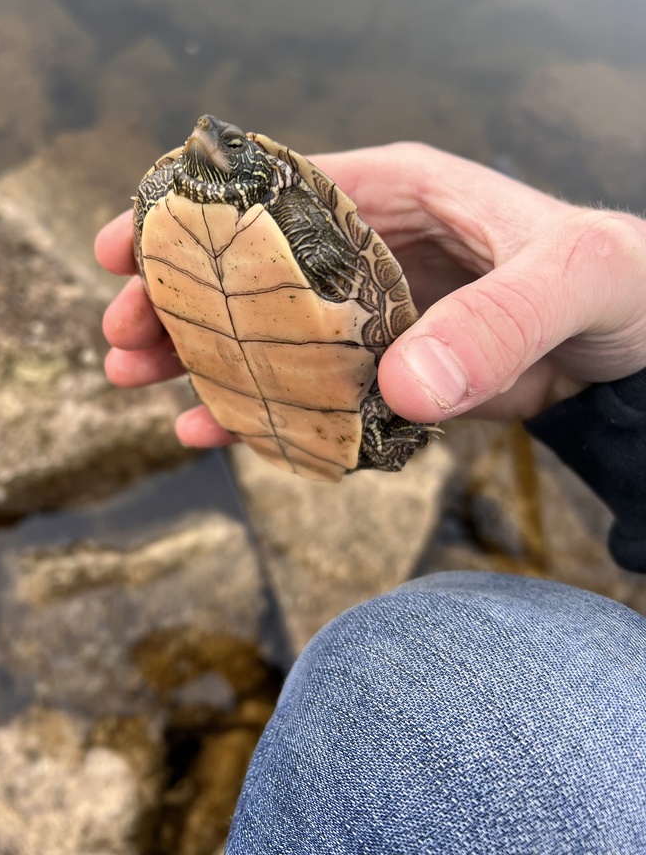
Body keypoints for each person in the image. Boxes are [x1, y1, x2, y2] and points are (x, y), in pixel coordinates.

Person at [96, 141, 646, 853]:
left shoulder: (255, 193)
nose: (209, 139)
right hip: (263, 396)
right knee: (388, 673)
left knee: (383, 670)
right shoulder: (170, 196)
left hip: (295, 405)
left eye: (226, 148)